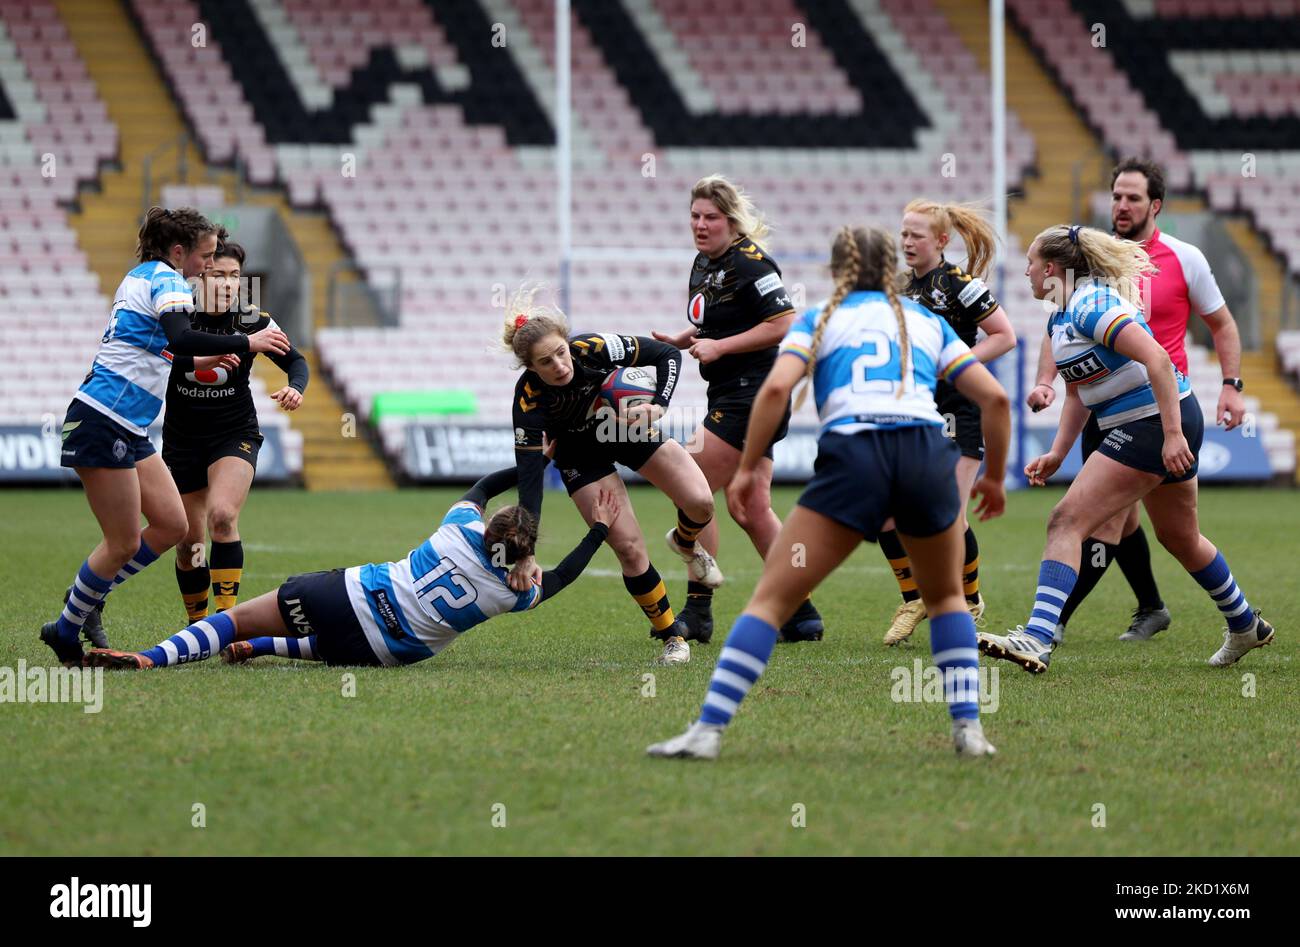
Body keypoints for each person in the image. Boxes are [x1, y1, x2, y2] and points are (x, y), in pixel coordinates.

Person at [647, 225, 1011, 761]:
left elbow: (775, 388)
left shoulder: (821, 318)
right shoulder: (927, 320)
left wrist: (748, 469)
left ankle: (707, 732)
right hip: (923, 457)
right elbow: (997, 400)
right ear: (892, 271)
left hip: (855, 457)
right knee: (947, 598)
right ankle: (969, 731)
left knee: (771, 599)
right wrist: (997, 478)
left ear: (836, 271)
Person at [979, 224, 1273, 674]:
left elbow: (1156, 358)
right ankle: (1244, 623)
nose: (1027, 272)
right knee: (1180, 537)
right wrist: (1058, 453)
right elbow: (1078, 393)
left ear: (1053, 268)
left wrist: (1172, 435)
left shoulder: (1091, 305)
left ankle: (1037, 638)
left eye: (1032, 263)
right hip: (1157, 420)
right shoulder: (1061, 317)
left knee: (1065, 521)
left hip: (1153, 422)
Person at [40, 207, 289, 666]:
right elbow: (182, 335)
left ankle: (85, 598)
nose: (210, 266)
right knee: (123, 544)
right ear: (180, 252)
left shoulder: (141, 276)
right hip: (103, 418)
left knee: (174, 526)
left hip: (128, 426)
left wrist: (201, 366)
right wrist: (246, 343)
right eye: (206, 255)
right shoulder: (170, 282)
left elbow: (158, 346)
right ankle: (67, 627)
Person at [83, 469, 619, 670]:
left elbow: (479, 490)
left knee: (240, 618)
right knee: (330, 647)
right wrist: (597, 531)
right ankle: (265, 650)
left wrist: (533, 461)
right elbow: (564, 577)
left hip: (351, 596)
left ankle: (153, 659)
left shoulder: (457, 530)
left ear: (488, 528)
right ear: (526, 556)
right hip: (387, 654)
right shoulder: (514, 592)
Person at [1027, 157, 1248, 642]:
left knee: (1082, 520)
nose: (1121, 205)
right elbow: (1073, 372)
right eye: (1116, 196)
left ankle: (1045, 630)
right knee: (1169, 534)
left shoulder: (1168, 264)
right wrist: (1049, 400)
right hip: (1115, 407)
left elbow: (1209, 332)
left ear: (1156, 205)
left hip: (1156, 409)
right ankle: (1235, 621)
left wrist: (1229, 387)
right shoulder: (1084, 279)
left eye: (1132, 197)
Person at [505, 285, 718, 665]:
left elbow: (667, 354)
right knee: (628, 546)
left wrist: (658, 405)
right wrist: (526, 553)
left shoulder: (594, 348)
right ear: (530, 368)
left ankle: (685, 543)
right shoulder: (528, 401)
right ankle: (673, 637)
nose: (560, 365)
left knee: (701, 501)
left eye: (560, 352)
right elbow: (529, 482)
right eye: (545, 362)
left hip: (623, 426)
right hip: (579, 455)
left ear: (568, 343)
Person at [651, 174, 823, 645]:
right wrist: (682, 338)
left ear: (730, 219)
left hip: (753, 395)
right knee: (749, 506)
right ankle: (800, 612)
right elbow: (718, 321)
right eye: (695, 216)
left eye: (710, 217)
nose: (701, 225)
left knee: (692, 488)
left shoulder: (750, 262)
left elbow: (784, 323)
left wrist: (721, 348)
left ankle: (698, 611)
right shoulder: (704, 264)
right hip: (734, 393)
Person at [880, 199, 1018, 646]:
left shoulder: (962, 285)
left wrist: (955, 364)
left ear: (940, 241)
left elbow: (1004, 336)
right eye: (903, 234)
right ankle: (913, 597)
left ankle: (969, 600)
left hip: (959, 412)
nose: (907, 242)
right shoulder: (900, 286)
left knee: (947, 517)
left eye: (916, 235)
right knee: (884, 513)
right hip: (913, 412)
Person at [164, 236, 309, 624]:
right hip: (182, 440)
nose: (228, 284)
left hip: (234, 432)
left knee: (224, 517)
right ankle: (197, 626)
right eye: (219, 276)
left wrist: (295, 387)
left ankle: (226, 623)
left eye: (235, 276)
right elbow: (172, 361)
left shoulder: (251, 318)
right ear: (199, 278)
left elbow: (296, 360)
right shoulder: (179, 316)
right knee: (189, 542)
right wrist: (237, 344)